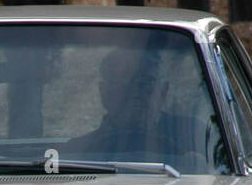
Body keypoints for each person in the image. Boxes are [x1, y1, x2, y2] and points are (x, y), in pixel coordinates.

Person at [61, 46, 196, 161]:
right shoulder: (74, 154)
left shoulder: (195, 138)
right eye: (124, 85)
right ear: (104, 93)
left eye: (146, 83)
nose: (135, 94)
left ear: (163, 92)